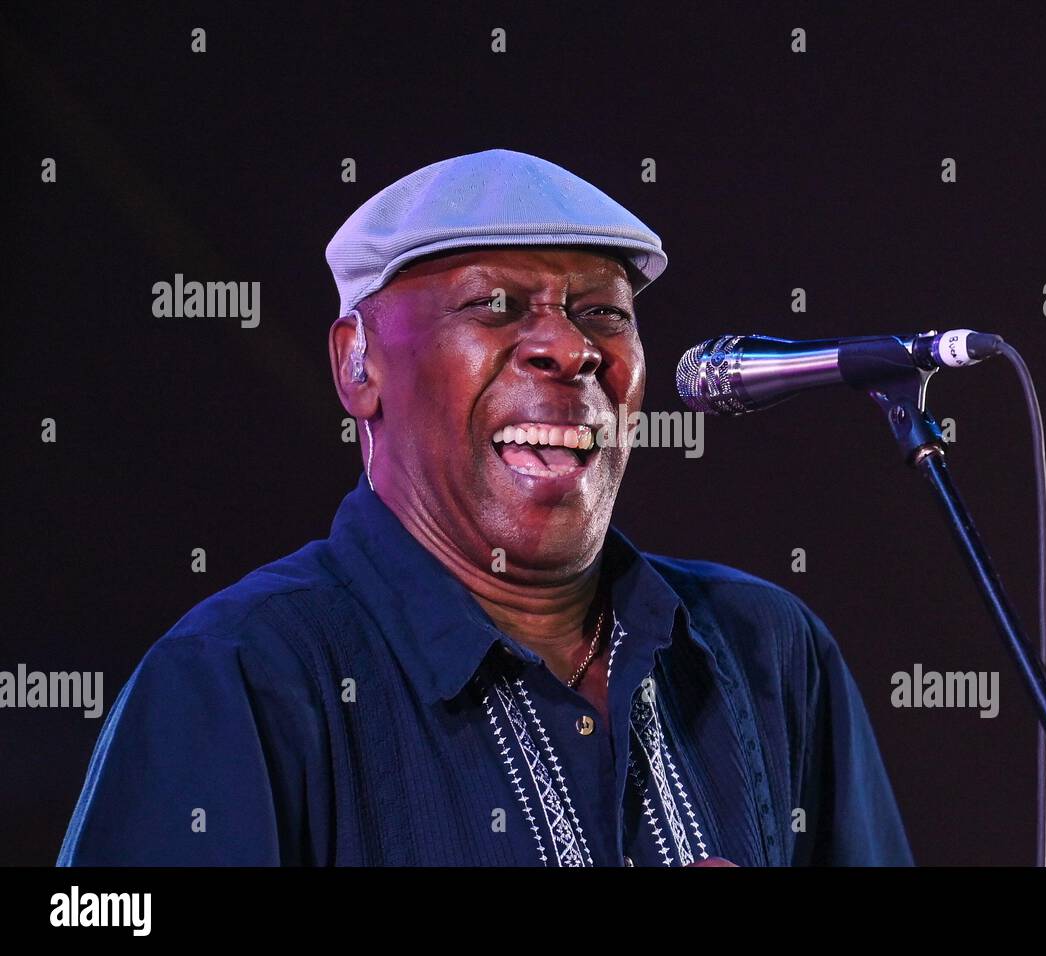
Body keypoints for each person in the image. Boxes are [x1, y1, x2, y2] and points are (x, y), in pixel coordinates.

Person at [57, 149, 912, 866]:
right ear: (359, 364)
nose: (571, 347)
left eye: (603, 314)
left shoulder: (767, 649)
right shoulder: (239, 677)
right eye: (495, 306)